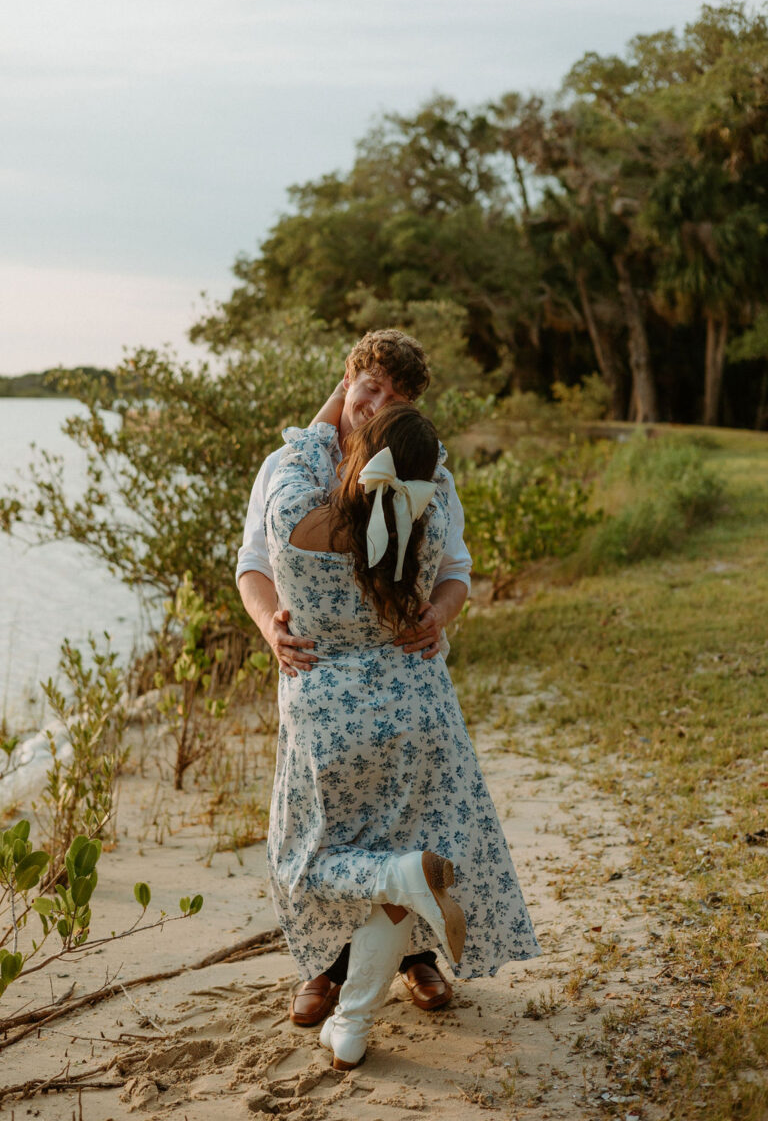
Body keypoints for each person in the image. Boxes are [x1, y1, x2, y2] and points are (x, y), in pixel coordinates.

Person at [262, 401, 539, 1070]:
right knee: (400, 875)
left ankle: (392, 891)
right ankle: (352, 1025)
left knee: (302, 859)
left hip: (330, 721)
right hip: (413, 713)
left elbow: (298, 451)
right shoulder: (431, 519)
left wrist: (341, 404)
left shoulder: (296, 515)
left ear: (356, 451)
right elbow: (450, 558)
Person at [237, 330, 472, 1023]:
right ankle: (325, 967)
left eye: (395, 398)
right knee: (327, 821)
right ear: (348, 380)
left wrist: (440, 614)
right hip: (316, 667)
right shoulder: (287, 465)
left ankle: (415, 959)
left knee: (409, 816)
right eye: (370, 388)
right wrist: (266, 625)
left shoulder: (432, 472)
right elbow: (254, 561)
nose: (376, 406)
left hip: (405, 672)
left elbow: (456, 570)